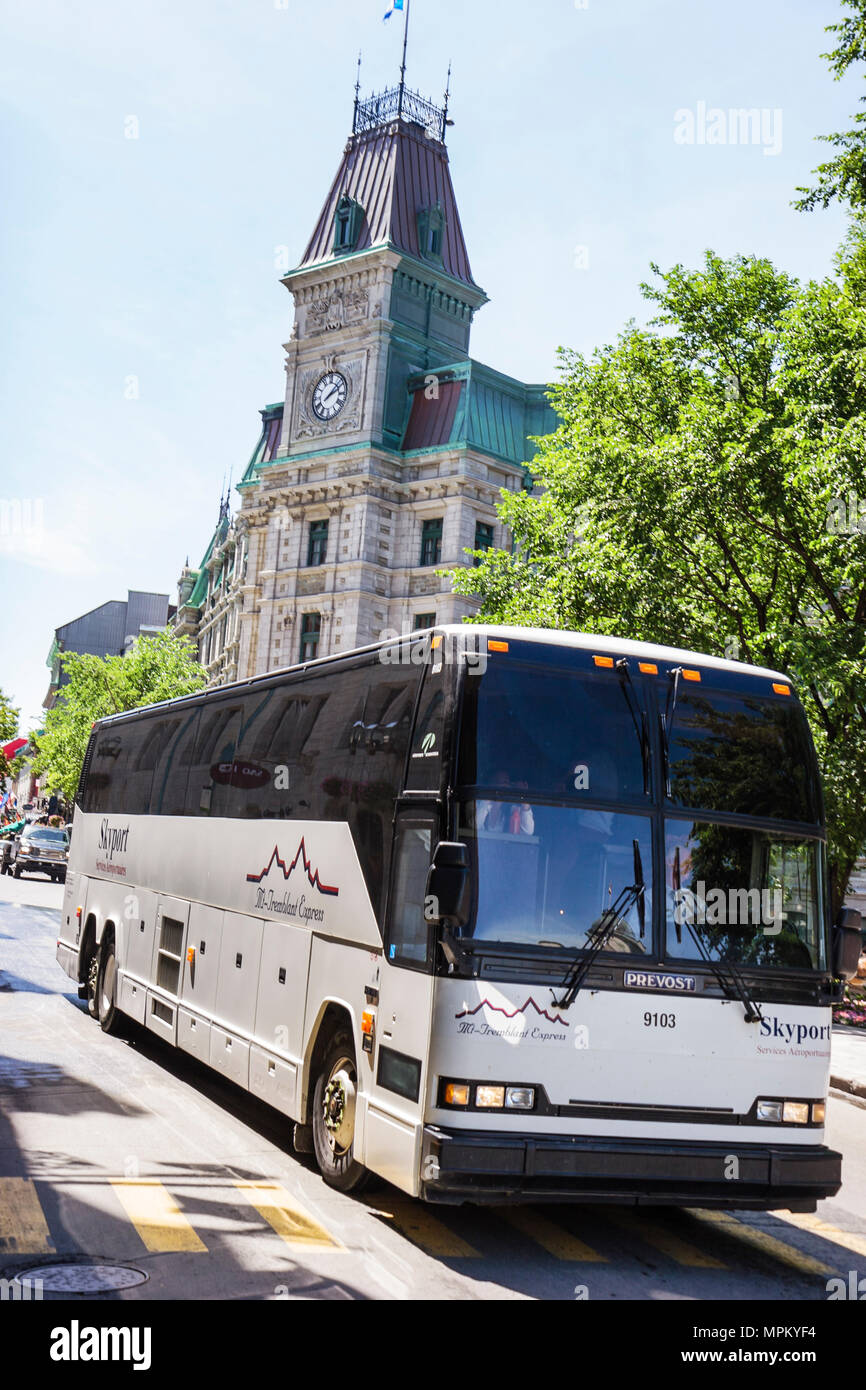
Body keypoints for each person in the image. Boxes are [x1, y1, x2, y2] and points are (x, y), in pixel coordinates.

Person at [476, 771, 535, 835]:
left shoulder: (514, 809)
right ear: (491, 784)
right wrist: (491, 797)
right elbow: (475, 827)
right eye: (501, 783)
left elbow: (527, 832)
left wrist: (523, 796)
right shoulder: (477, 803)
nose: (505, 786)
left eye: (507, 783)